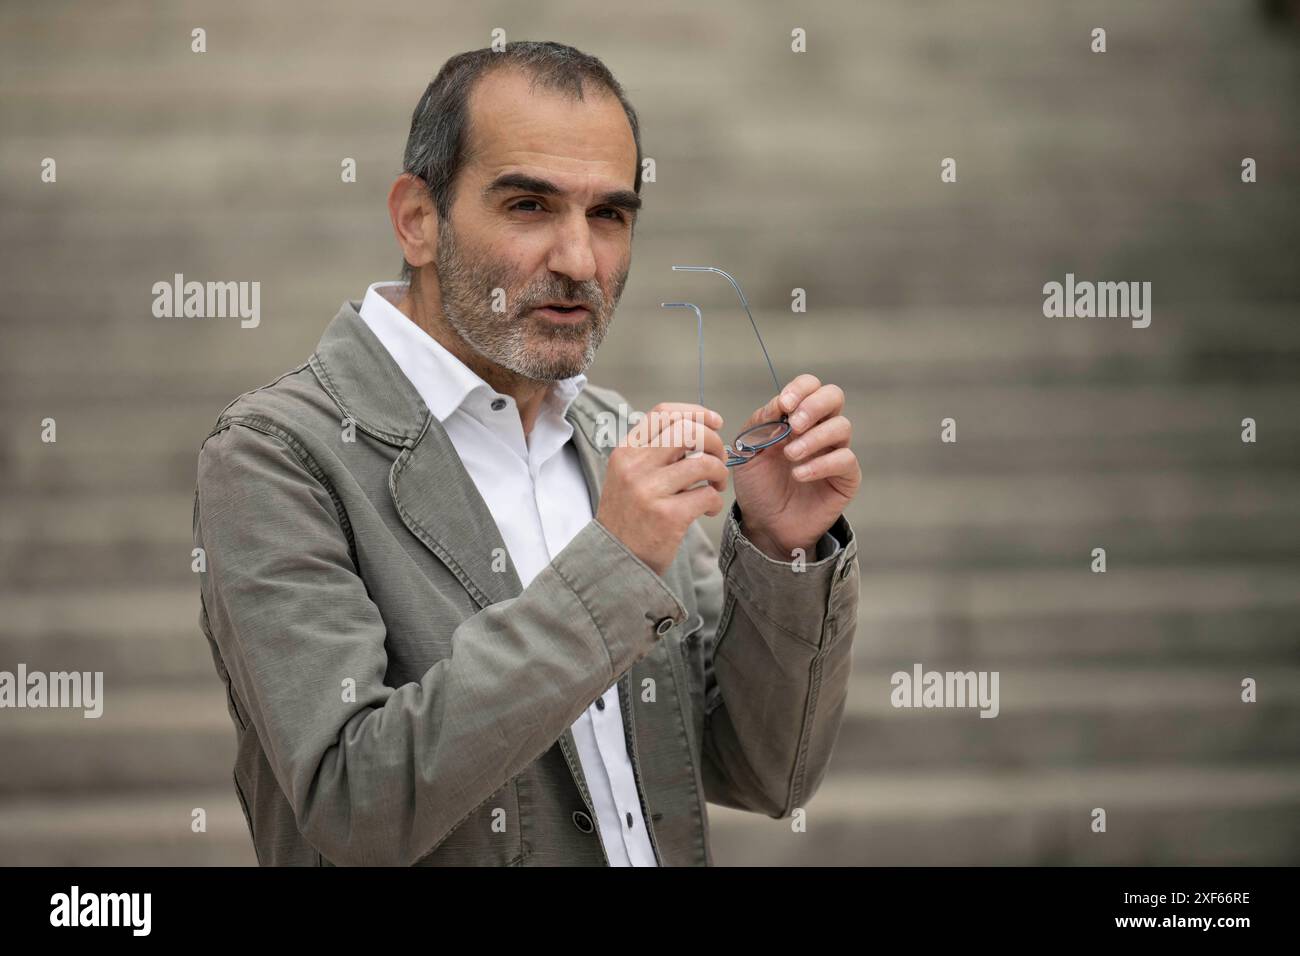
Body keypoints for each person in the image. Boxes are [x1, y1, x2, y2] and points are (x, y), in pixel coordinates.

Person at [192, 40, 862, 866]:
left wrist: (780, 551)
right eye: (529, 206)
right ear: (417, 220)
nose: (579, 261)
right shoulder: (275, 456)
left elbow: (759, 774)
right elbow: (353, 804)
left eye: (609, 215)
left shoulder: (620, 438)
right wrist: (613, 565)